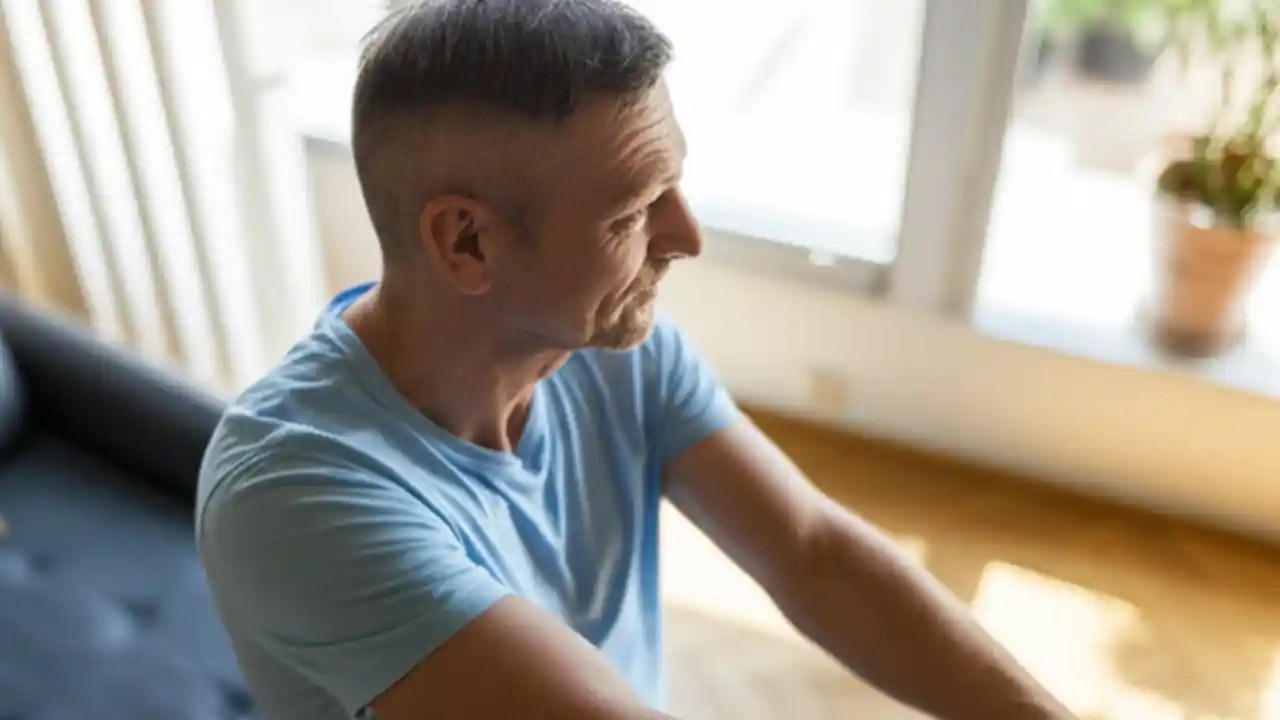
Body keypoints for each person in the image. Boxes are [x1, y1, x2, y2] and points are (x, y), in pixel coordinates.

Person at [196, 1, 1073, 718]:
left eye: (674, 184)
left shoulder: (603, 348)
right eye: (633, 211)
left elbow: (815, 557)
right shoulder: (294, 497)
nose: (686, 237)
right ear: (467, 241)